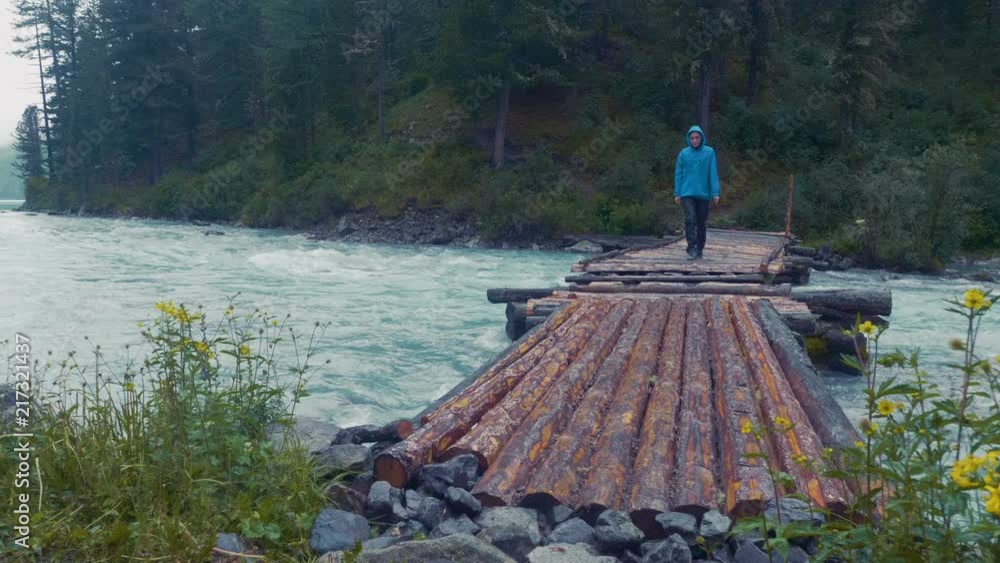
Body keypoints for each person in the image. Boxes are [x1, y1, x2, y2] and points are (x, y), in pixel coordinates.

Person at [673, 125, 720, 260]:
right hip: (687, 192)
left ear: (701, 138)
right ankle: (691, 248)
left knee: (701, 222)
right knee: (690, 219)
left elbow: (712, 173)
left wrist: (715, 193)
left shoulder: (709, 152)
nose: (694, 140)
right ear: (689, 139)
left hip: (703, 193)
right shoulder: (684, 153)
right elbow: (679, 174)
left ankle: (700, 247)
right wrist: (677, 193)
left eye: (697, 138)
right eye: (692, 138)